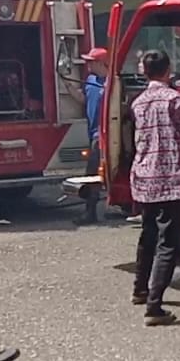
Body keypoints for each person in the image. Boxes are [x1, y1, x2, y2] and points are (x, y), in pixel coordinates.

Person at [130, 49, 180, 326]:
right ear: (168, 70)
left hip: (143, 176)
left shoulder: (138, 102)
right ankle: (154, 306)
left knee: (148, 233)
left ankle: (139, 289)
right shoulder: (176, 100)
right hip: (170, 180)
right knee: (169, 241)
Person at [75, 46, 108, 226]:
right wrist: (67, 88)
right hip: (94, 134)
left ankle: (90, 213)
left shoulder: (112, 83)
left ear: (101, 63)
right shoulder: (90, 80)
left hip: (103, 135)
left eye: (91, 61)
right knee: (93, 174)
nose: (88, 64)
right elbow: (83, 100)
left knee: (93, 175)